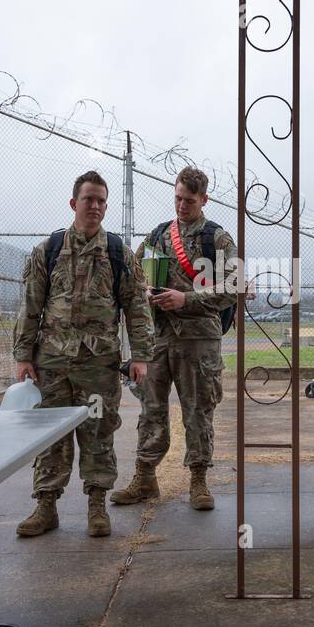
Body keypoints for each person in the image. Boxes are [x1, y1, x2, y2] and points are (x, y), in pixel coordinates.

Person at [12, 170, 154, 539]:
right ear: (74, 203)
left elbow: (136, 305)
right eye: (89, 199)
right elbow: (31, 304)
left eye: (102, 200)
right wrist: (23, 355)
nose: (95, 206)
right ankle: (46, 506)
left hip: (98, 365)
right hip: (53, 363)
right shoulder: (49, 249)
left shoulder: (117, 252)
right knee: (51, 436)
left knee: (98, 432)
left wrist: (140, 356)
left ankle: (96, 507)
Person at [112, 166, 238, 510]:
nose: (182, 206)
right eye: (178, 198)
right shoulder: (157, 236)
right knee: (151, 408)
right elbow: (133, 273)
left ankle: (198, 480)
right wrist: (146, 291)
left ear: (204, 200)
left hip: (199, 339)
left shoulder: (218, 239)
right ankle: (144, 477)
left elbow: (234, 286)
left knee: (198, 411)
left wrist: (187, 299)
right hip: (158, 336)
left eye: (190, 201)